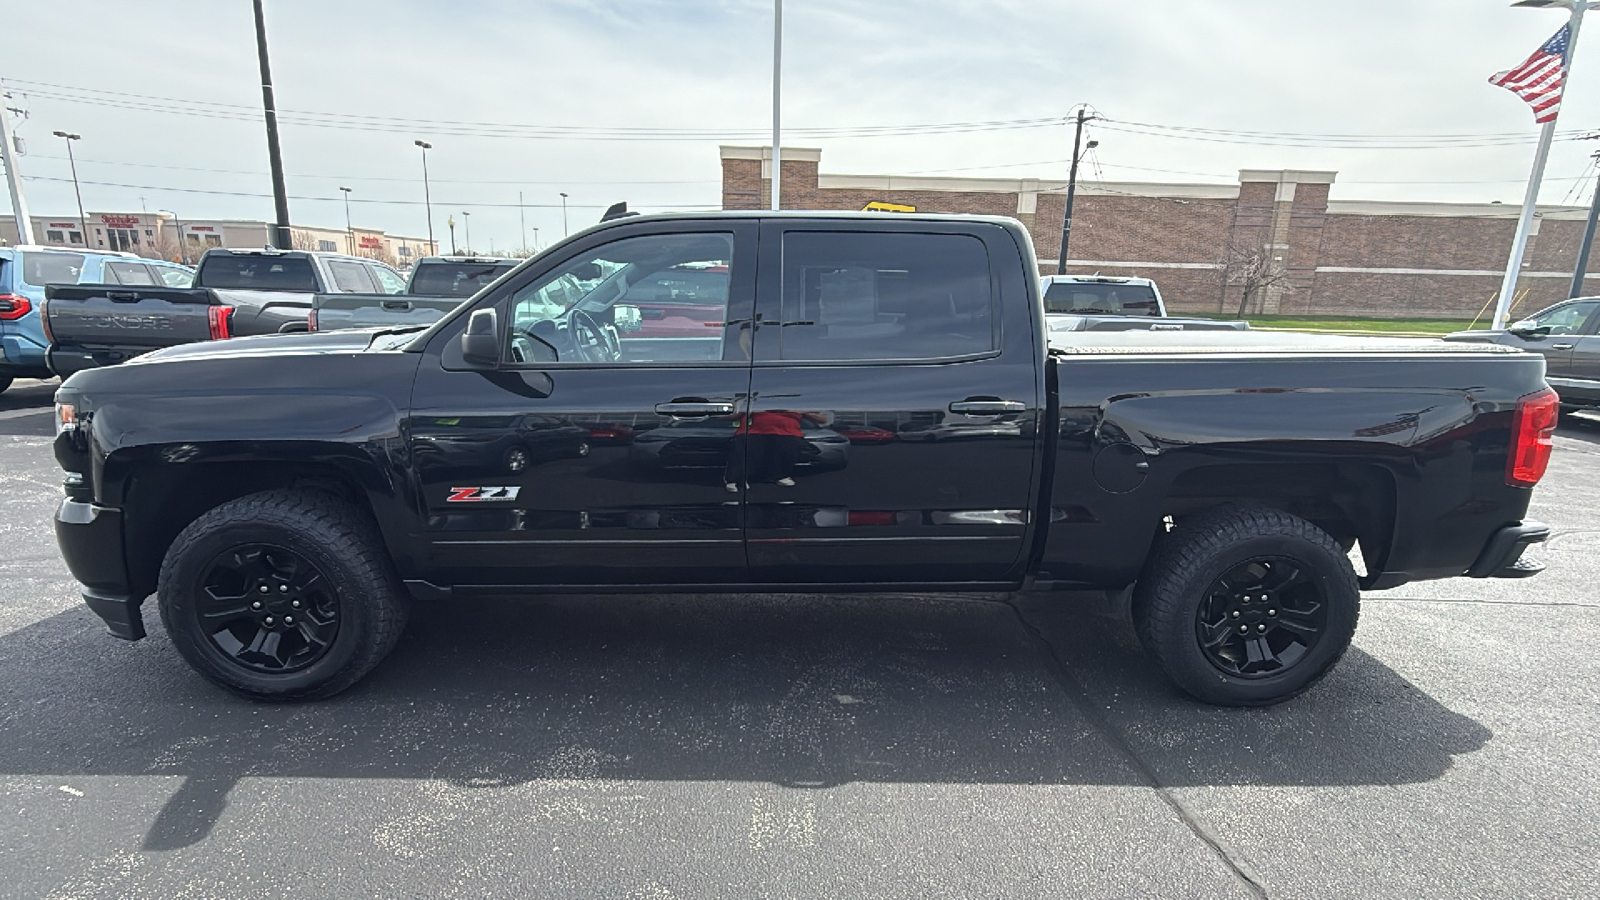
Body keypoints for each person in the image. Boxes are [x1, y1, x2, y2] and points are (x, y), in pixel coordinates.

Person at [724, 407, 827, 492]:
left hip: (788, 433)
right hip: (754, 431)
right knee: (747, 449)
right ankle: (736, 479)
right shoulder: (758, 401)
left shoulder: (798, 404)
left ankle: (780, 476)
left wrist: (801, 411)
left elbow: (822, 419)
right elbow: (731, 417)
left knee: (787, 447)